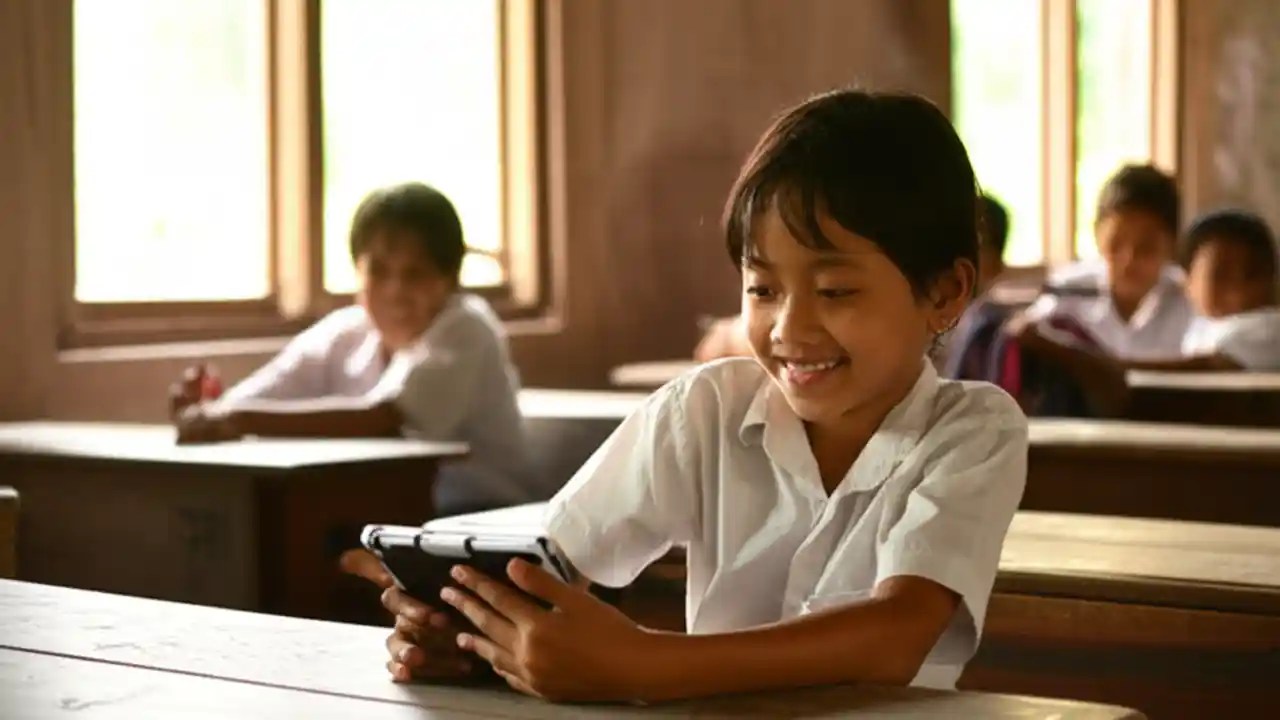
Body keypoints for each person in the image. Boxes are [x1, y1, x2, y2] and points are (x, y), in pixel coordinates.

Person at [363, 90, 1028, 702]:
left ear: (944, 292)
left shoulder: (972, 430)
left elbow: (895, 636)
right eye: (762, 289)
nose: (788, 328)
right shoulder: (705, 410)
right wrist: (471, 632)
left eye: (835, 292)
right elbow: (551, 567)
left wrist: (644, 664)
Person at [169, 182, 533, 513]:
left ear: (449, 280)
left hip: (481, 518)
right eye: (378, 271)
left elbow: (385, 418)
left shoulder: (467, 326)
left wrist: (236, 418)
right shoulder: (346, 332)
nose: (395, 291)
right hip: (393, 516)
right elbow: (261, 396)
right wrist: (206, 412)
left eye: (414, 274)